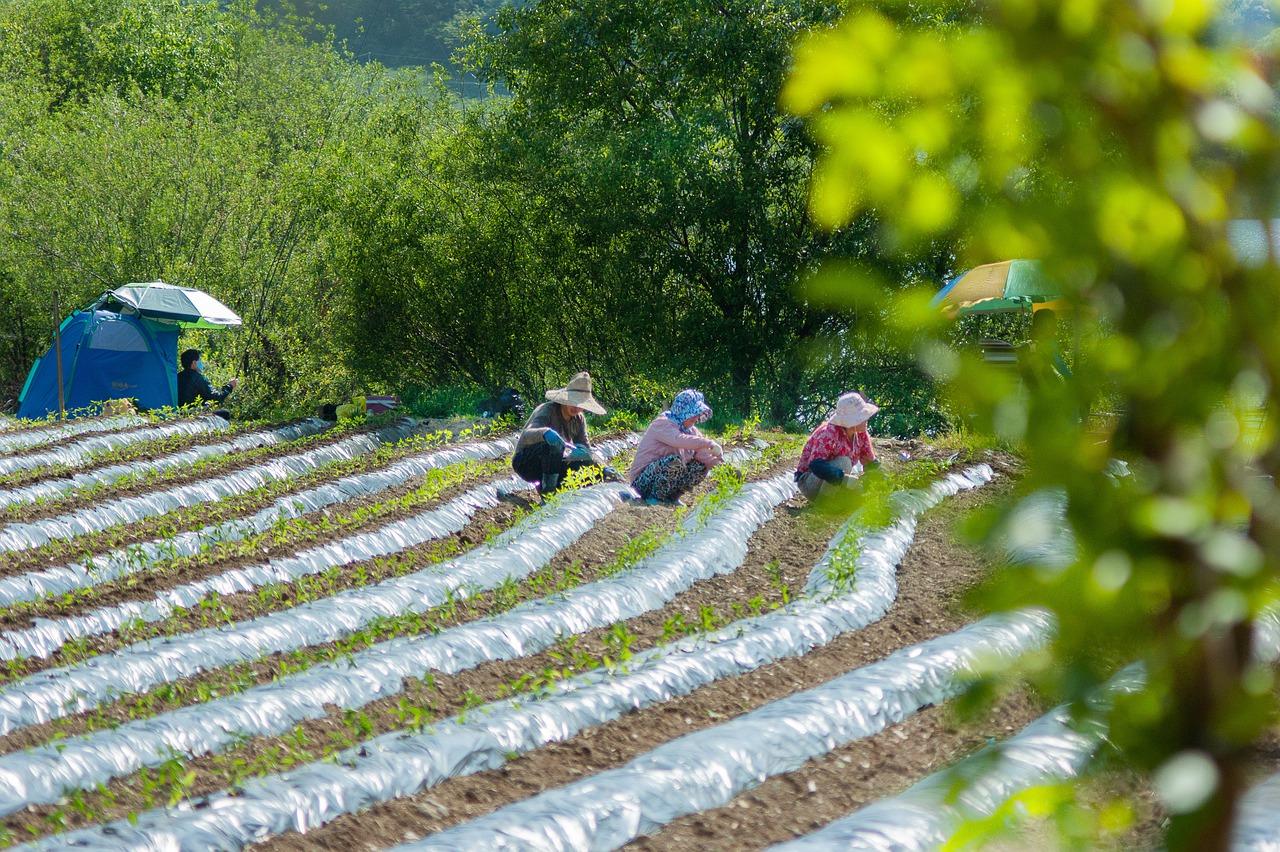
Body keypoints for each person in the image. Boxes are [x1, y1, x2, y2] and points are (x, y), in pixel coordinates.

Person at [512, 371, 615, 495]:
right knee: (552, 446)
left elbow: (585, 447)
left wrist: (602, 466)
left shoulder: (579, 419)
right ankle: (548, 493)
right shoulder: (547, 410)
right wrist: (545, 433)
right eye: (573, 402)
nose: (576, 407)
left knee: (593, 469)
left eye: (580, 404)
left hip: (553, 463)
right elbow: (526, 435)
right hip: (526, 462)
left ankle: (564, 495)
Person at [628, 389, 724, 505]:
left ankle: (672, 497)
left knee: (700, 465)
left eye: (697, 414)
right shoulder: (663, 424)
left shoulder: (691, 430)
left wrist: (720, 465)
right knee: (674, 461)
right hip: (644, 481)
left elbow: (701, 454)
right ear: (683, 411)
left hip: (667, 481)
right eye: (694, 413)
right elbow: (679, 440)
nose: (696, 417)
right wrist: (709, 443)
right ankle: (655, 497)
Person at [795, 392, 879, 501]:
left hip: (834, 481)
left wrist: (880, 479)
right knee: (844, 462)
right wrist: (843, 479)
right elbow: (815, 465)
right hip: (810, 481)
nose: (866, 420)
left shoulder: (861, 435)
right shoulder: (829, 433)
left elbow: (870, 462)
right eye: (862, 417)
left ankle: (833, 501)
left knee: (860, 497)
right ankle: (824, 503)